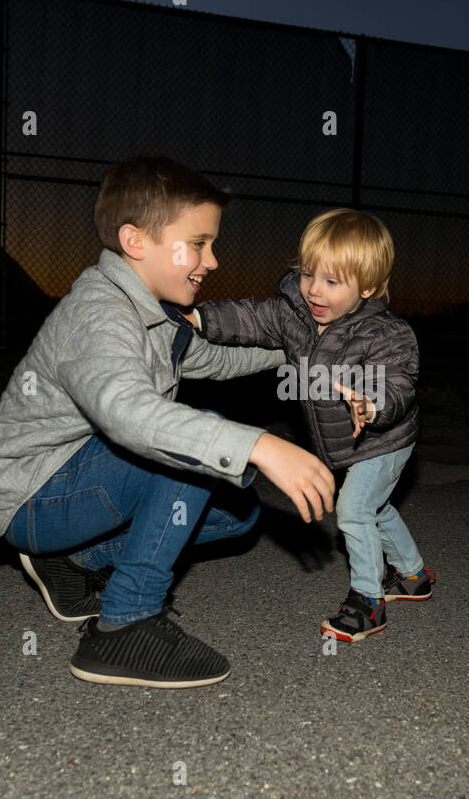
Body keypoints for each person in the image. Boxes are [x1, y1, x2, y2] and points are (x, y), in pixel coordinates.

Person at [0, 155, 335, 687]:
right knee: (191, 453)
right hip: (30, 492)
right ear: (136, 242)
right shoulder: (100, 314)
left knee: (238, 512)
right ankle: (125, 624)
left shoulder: (153, 313)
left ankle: (76, 561)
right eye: (200, 242)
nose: (211, 260)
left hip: (69, 486)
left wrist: (303, 348)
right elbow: (132, 416)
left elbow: (215, 359)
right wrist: (260, 443)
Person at [184, 208, 436, 642]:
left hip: (386, 436)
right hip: (348, 444)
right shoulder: (295, 314)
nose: (314, 291)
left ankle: (368, 602)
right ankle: (413, 576)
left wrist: (372, 404)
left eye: (332, 282)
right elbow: (249, 318)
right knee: (374, 506)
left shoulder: (386, 334)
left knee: (354, 509)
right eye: (307, 275)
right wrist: (198, 318)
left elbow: (398, 382)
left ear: (368, 287)